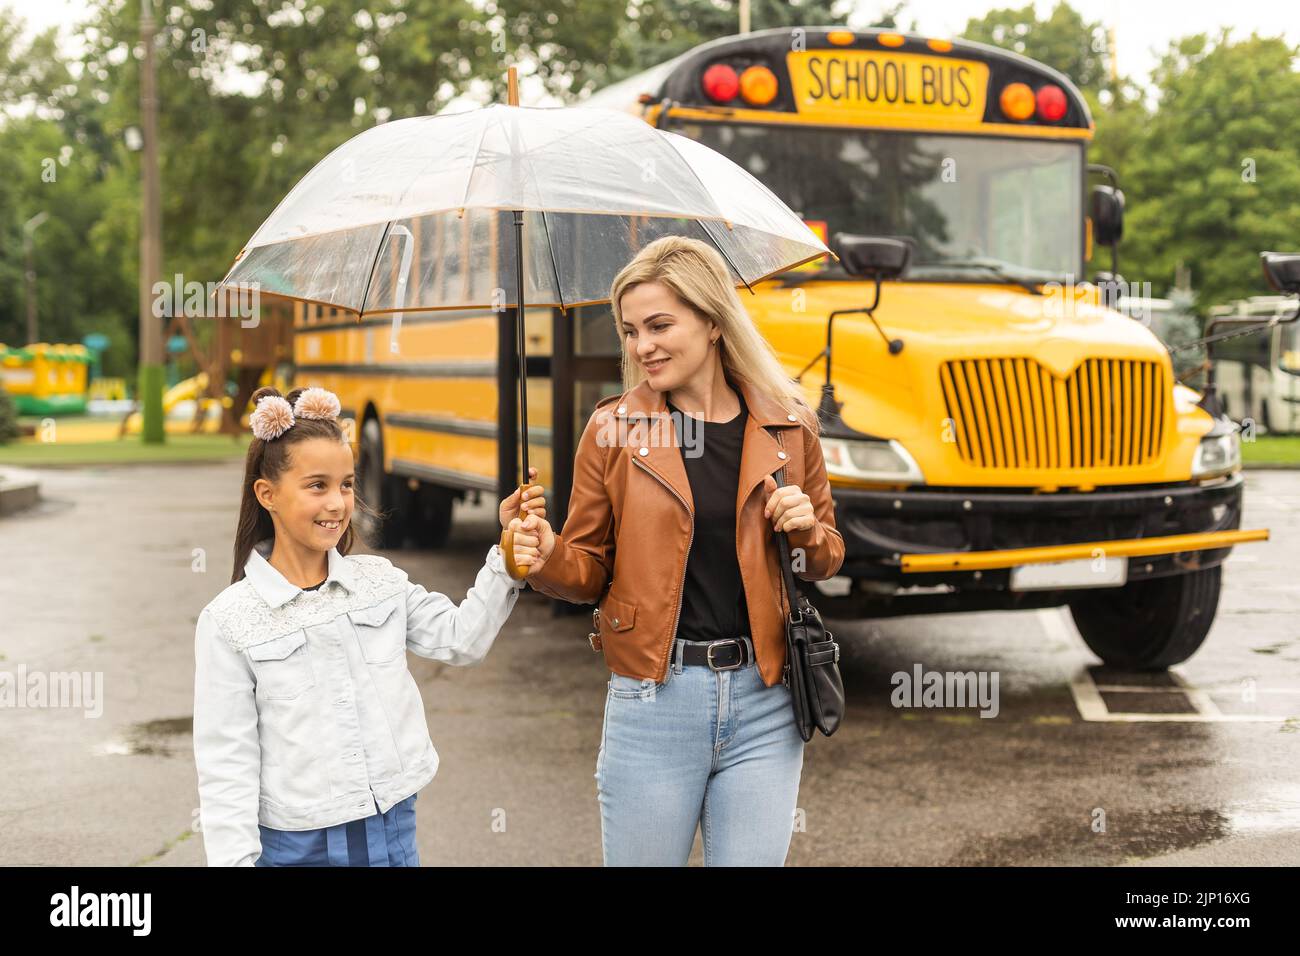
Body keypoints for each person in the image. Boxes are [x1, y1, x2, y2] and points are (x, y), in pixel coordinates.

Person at [508, 235, 845, 865]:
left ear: (713, 322)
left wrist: (804, 532)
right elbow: (586, 572)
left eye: (661, 325)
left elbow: (825, 558)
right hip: (653, 701)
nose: (643, 347)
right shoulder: (613, 428)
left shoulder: (788, 425)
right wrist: (548, 552)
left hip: (766, 702)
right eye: (632, 331)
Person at [193, 385, 544, 866]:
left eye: (346, 484)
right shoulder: (230, 620)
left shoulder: (380, 582)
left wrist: (505, 560)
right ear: (267, 494)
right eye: (317, 486)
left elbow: (463, 640)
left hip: (392, 829)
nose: (337, 503)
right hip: (297, 847)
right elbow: (225, 763)